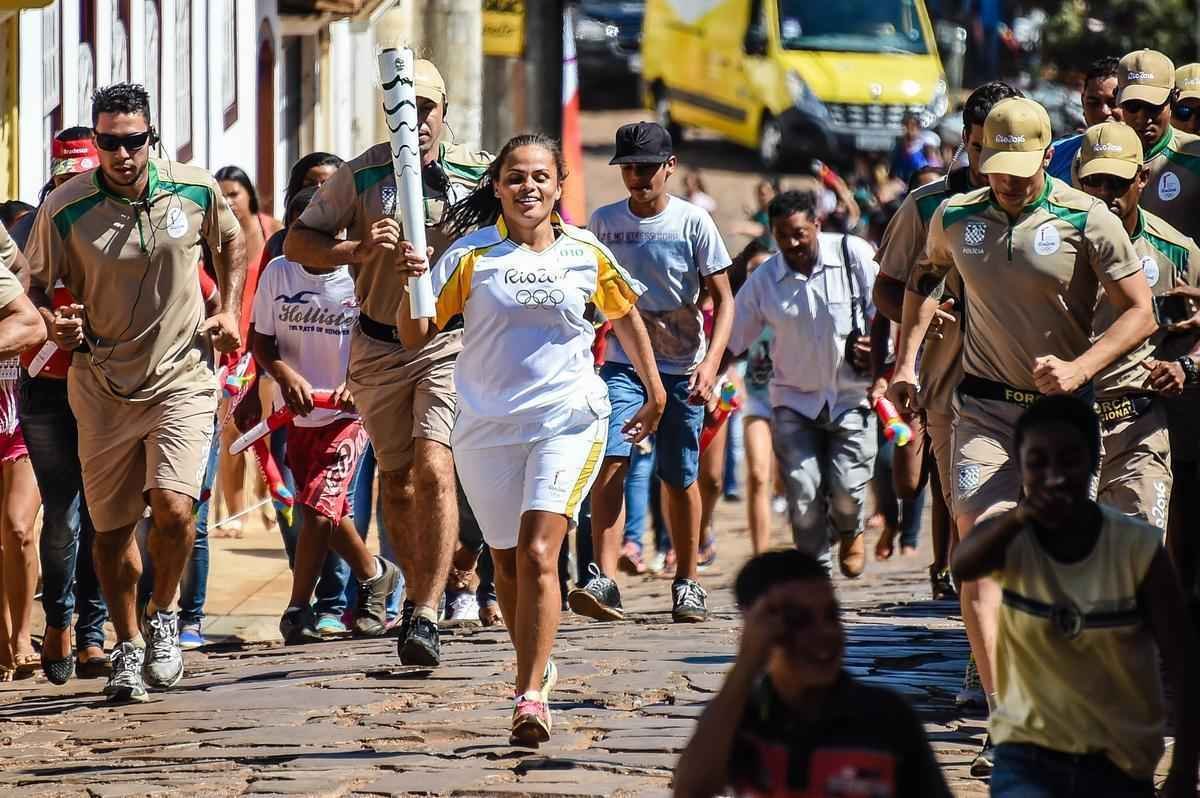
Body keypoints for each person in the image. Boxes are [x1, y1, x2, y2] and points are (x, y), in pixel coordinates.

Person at [888, 96, 1156, 774]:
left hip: (1062, 416)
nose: (1003, 180)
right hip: (982, 409)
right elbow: (924, 277)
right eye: (992, 165)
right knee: (978, 553)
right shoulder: (957, 216)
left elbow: (1140, 313)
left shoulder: (1087, 219)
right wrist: (907, 361)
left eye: (1017, 168)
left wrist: (1080, 367)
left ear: (1046, 155)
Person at [395, 133, 663, 745]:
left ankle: (529, 695)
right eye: (515, 177)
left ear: (559, 185)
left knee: (542, 552)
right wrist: (409, 278)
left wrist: (655, 390)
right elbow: (415, 334)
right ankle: (536, 662)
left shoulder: (585, 252)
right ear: (497, 187)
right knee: (509, 564)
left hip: (568, 418)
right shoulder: (470, 255)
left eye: (541, 176)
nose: (528, 188)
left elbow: (623, 314)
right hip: (486, 427)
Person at [26, 83, 246, 703]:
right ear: (95, 143)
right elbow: (35, 285)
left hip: (182, 374)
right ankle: (126, 646)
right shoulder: (66, 207)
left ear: (153, 136)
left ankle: (166, 615)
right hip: (101, 382)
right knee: (111, 528)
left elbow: (234, 241)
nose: (122, 154)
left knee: (176, 508)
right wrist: (53, 320)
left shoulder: (195, 188)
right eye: (109, 142)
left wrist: (229, 309)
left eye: (134, 140)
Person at [286, 59, 491, 668]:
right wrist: (357, 248)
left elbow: (528, 229)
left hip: (448, 342)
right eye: (404, 109)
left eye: (427, 109)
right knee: (398, 481)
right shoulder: (361, 172)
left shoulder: (476, 173)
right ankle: (411, 596)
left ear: (444, 110)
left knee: (435, 463)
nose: (417, 121)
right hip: (377, 344)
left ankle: (428, 609)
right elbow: (300, 242)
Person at [951, 396, 1198, 798]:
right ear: (1018, 466)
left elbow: (1182, 659)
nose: (1053, 476)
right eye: (1037, 463)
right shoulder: (1014, 542)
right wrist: (1016, 517)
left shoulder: (1135, 549)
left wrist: (1185, 769)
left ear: (1092, 462)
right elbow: (964, 566)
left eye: (1068, 460)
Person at [572, 121, 734, 624]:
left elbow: (725, 300)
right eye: (629, 168)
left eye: (647, 168)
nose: (638, 178)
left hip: (684, 365)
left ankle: (687, 579)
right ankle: (604, 577)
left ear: (670, 167)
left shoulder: (692, 223)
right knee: (611, 459)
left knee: (678, 473)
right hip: (623, 362)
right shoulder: (603, 223)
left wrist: (711, 364)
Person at [872, 79, 1021, 618]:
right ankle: (975, 642)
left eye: (1003, 147)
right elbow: (887, 287)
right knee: (969, 508)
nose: (990, 161)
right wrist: (920, 328)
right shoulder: (927, 204)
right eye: (980, 146)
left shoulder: (1046, 201)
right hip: (948, 385)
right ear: (966, 140)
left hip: (1027, 383)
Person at [673, 549, 953, 798]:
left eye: (831, 616)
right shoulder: (740, 717)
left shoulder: (885, 717)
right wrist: (746, 665)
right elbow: (691, 788)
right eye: (799, 620)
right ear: (757, 627)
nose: (825, 633)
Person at [250, 185, 400, 644]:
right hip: (296, 413)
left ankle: (297, 609)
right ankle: (375, 573)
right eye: (303, 226)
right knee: (323, 509)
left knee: (317, 505)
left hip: (349, 414)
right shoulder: (278, 273)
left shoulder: (361, 275)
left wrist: (355, 381)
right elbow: (262, 340)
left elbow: (382, 336)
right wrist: (281, 375)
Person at [727, 191, 878, 576]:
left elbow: (889, 307)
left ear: (817, 225)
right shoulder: (764, 281)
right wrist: (706, 374)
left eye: (799, 234)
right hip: (794, 400)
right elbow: (733, 338)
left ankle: (850, 529)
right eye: (782, 236)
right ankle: (816, 576)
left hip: (851, 395)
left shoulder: (853, 255)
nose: (792, 244)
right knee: (802, 491)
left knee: (847, 489)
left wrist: (880, 349)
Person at [15, 128, 110, 684]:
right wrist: (47, 321)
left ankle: (93, 633)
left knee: (104, 514)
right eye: (62, 184)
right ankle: (59, 622)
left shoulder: (121, 226)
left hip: (106, 386)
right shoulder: (27, 231)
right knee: (63, 512)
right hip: (48, 385)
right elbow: (17, 300)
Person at [1073, 121, 1200, 531]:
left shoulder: (1178, 252)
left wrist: (1187, 365)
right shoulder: (1049, 246)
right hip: (1065, 428)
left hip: (1137, 427)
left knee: (1140, 567)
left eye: (1117, 182)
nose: (1106, 194)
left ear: (1143, 178)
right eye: (1095, 182)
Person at [1117, 49, 1200, 622]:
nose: (1146, 119)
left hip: (1180, 352)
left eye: (1156, 107)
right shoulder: (1092, 159)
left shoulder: (1193, 163)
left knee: (1184, 488)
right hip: (1115, 362)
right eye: (1134, 106)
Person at [213, 165, 281, 538]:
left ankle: (268, 494)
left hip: (267, 345)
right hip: (230, 348)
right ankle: (234, 513)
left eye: (234, 193)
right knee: (231, 432)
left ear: (250, 195)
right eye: (221, 195)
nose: (228, 201)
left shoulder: (272, 230)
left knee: (265, 428)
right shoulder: (215, 236)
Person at [0, 223, 50, 682]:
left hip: (18, 410)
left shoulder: (15, 285)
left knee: (18, 527)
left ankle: (21, 636)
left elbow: (32, 324)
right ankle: (3, 640)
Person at [728, 240, 775, 555]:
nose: (759, 276)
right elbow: (725, 350)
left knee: (800, 483)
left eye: (766, 268)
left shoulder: (798, 299)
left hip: (799, 401)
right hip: (757, 399)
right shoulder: (739, 307)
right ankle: (763, 558)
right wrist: (731, 376)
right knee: (758, 475)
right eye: (752, 269)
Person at [1046, 56, 1121, 180]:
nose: (1104, 112)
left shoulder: (1153, 160)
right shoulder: (1055, 154)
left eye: (1113, 103)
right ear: (1083, 102)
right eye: (1094, 103)